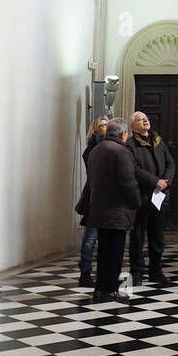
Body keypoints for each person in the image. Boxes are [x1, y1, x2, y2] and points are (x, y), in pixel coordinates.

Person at [85, 118, 140, 303]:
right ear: (123, 134)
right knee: (114, 251)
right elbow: (128, 181)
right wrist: (136, 200)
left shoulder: (96, 150)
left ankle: (101, 287)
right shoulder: (121, 151)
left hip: (99, 208)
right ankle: (109, 289)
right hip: (117, 209)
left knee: (103, 250)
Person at [126, 110, 175, 286]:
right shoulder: (130, 144)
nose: (146, 121)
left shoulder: (158, 141)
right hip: (142, 196)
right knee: (138, 236)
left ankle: (156, 271)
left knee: (157, 237)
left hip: (160, 196)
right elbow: (134, 169)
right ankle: (137, 272)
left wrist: (165, 182)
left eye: (146, 118)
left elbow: (170, 163)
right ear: (133, 126)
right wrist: (155, 181)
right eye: (141, 119)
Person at [75, 117, 109, 286]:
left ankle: (98, 271)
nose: (108, 126)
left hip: (104, 197)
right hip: (95, 197)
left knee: (101, 237)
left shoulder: (108, 145)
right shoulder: (92, 149)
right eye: (104, 125)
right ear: (96, 129)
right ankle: (85, 272)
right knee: (91, 237)